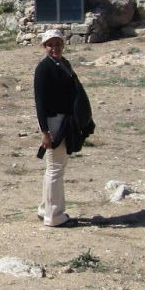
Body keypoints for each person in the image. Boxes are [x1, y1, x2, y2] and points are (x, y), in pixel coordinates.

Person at [33, 27, 94, 228]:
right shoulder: (44, 69)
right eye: (50, 44)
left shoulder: (63, 64)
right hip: (54, 122)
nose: (55, 48)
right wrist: (45, 132)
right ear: (44, 47)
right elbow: (40, 103)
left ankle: (46, 208)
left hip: (64, 120)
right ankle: (55, 216)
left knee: (54, 167)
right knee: (55, 168)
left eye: (58, 44)